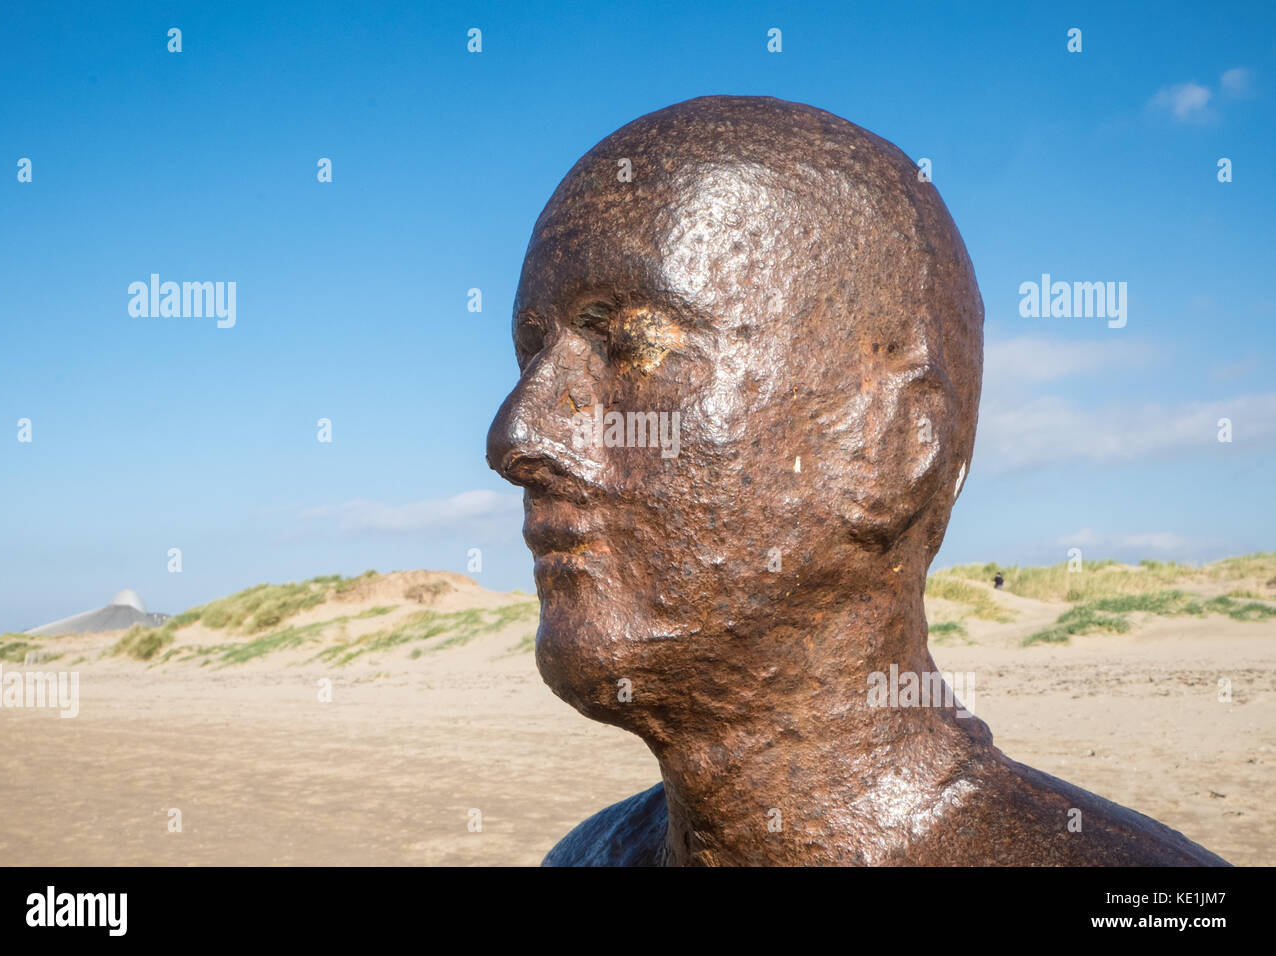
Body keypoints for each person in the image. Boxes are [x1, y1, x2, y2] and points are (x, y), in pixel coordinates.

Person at [486, 95, 1229, 866]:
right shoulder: (584, 858)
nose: (516, 435)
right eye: (531, 354)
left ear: (896, 442)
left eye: (635, 341)